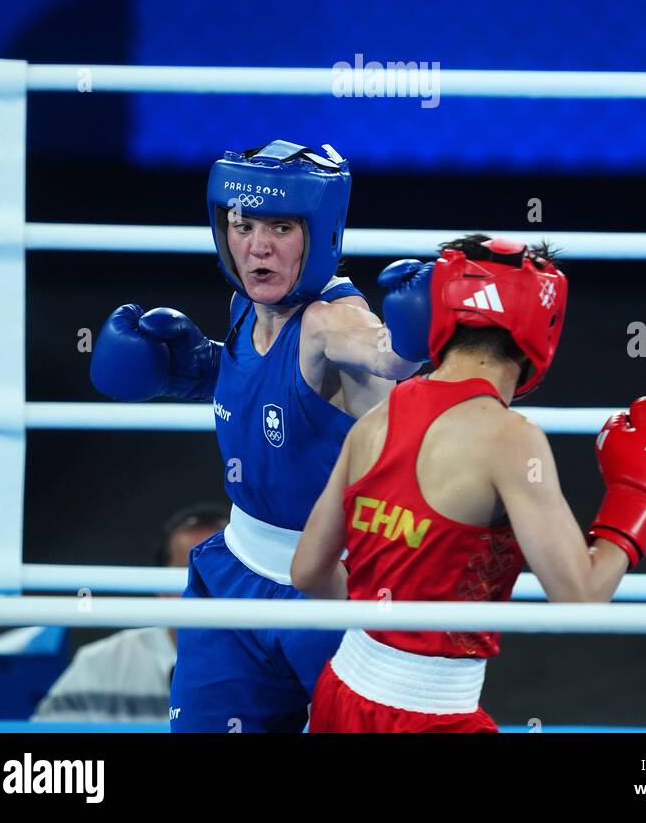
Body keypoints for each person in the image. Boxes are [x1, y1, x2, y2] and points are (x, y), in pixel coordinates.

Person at [291, 234, 646, 733]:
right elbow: (580, 600)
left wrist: (384, 638)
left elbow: (308, 571)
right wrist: (640, 500)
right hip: (434, 717)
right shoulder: (513, 440)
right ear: (543, 327)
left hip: (341, 693)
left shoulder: (376, 418)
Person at [90, 141, 426, 733]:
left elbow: (389, 358)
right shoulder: (245, 306)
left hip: (334, 587)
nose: (257, 246)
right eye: (242, 225)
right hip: (234, 574)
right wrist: (196, 371)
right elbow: (263, 388)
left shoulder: (331, 321)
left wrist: (421, 330)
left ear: (319, 234)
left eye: (280, 226)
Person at [32, 504, 226, 724]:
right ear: (161, 586)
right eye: (189, 572)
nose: (207, 588)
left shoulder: (270, 664)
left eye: (222, 572)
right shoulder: (100, 665)